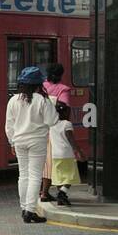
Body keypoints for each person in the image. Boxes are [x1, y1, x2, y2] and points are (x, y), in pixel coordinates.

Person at [5, 65, 57, 224]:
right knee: (35, 176)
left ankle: (24, 208)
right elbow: (52, 120)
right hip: (37, 142)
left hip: (19, 142)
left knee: (23, 175)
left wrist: (12, 142)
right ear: (38, 84)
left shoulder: (13, 100)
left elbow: (9, 125)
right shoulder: (42, 100)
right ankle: (30, 210)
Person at [39, 63, 73, 203]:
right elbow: (64, 108)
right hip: (55, 130)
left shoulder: (41, 87)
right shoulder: (63, 89)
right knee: (61, 163)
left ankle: (44, 193)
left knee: (46, 163)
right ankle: (61, 192)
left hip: (40, 129)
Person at [48, 101, 83, 206]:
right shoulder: (67, 124)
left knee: (59, 177)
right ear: (64, 113)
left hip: (55, 155)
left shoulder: (51, 125)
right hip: (66, 154)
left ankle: (61, 197)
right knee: (70, 176)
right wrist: (78, 151)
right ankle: (62, 193)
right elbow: (71, 139)